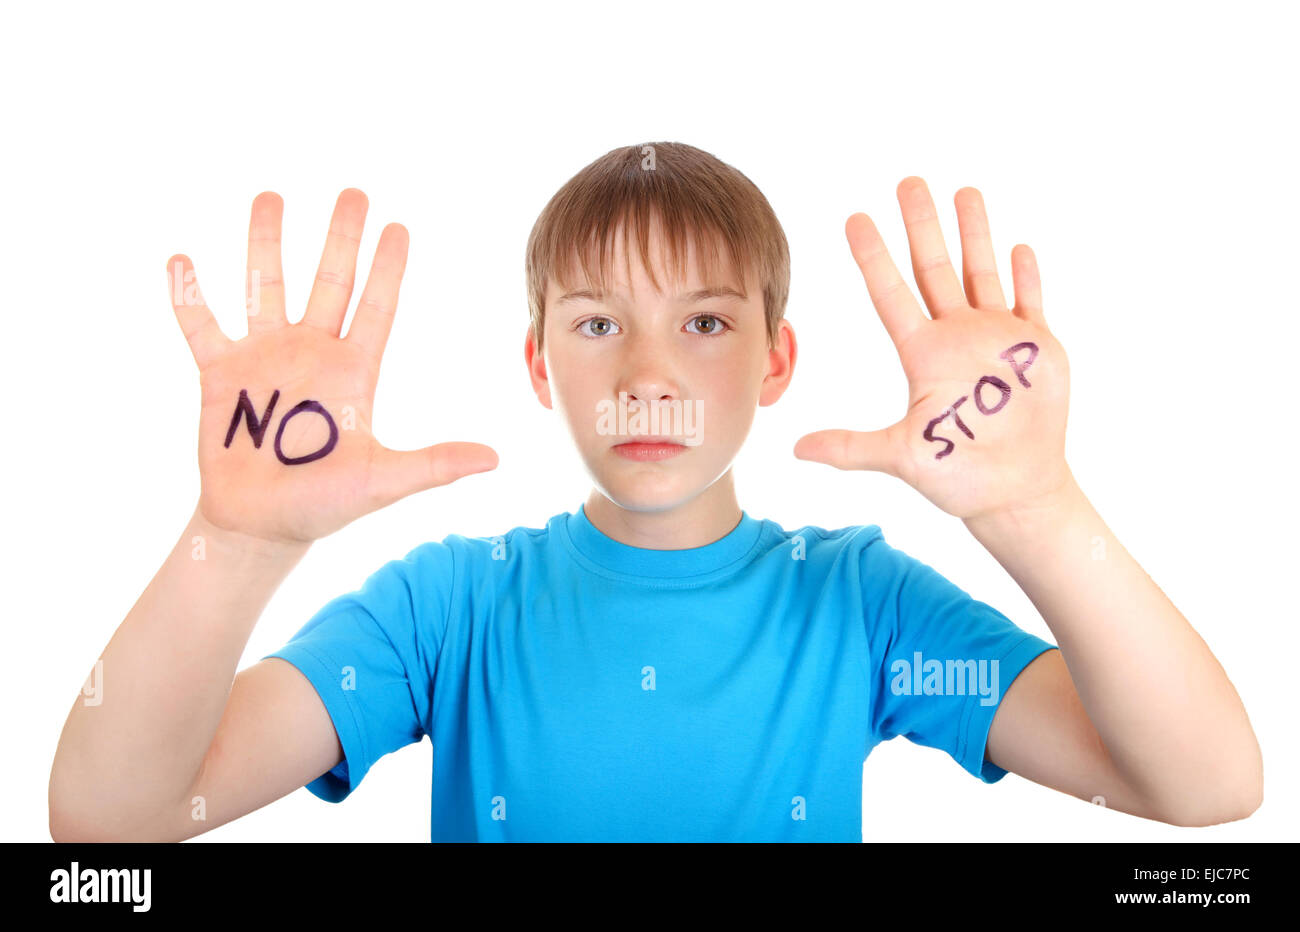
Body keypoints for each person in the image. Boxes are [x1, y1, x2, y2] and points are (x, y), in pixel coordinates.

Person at [48, 142, 1262, 842]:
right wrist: (235, 537)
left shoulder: (858, 603)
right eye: (595, 323)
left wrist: (1036, 508)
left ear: (775, 359)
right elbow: (111, 818)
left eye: (705, 320)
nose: (646, 372)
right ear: (538, 365)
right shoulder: (447, 607)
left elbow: (1204, 785)